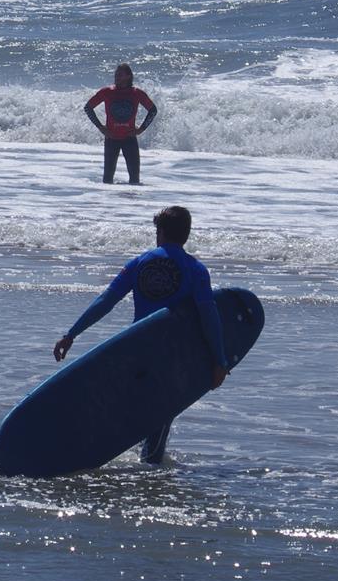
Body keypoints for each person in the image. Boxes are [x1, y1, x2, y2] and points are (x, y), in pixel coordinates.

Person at [51, 205, 226, 464]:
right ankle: (149, 478)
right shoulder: (196, 270)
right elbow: (209, 317)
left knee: (129, 408)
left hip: (135, 350)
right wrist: (219, 360)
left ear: (161, 232)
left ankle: (95, 457)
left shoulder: (139, 262)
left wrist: (71, 334)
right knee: (159, 421)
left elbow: (106, 301)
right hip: (170, 356)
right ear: (186, 235)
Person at [84, 64, 157, 184]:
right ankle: (107, 201)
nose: (116, 77)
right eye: (116, 74)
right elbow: (88, 108)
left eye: (120, 75)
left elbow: (153, 110)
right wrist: (101, 128)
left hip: (129, 139)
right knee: (107, 179)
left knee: (134, 180)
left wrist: (141, 129)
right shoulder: (107, 92)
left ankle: (132, 201)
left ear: (128, 76)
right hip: (111, 138)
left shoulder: (136, 93)